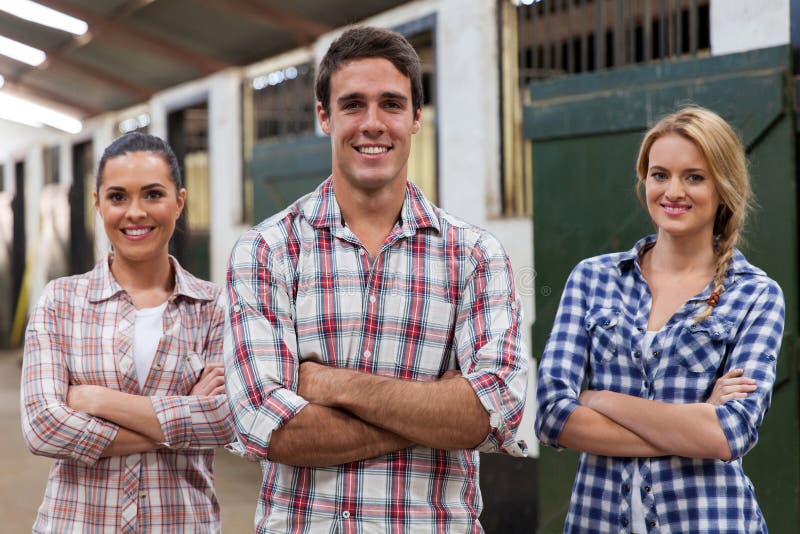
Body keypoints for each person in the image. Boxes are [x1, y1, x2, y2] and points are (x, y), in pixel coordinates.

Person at [224, 26, 529, 532]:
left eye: (391, 103)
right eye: (352, 105)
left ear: (415, 118)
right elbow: (268, 429)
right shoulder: (267, 251)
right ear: (324, 116)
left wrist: (329, 383)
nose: (372, 123)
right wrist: (432, 410)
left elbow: (490, 414)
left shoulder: (475, 256)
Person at [535, 106, 785, 533]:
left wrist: (599, 399)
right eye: (659, 174)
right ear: (644, 180)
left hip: (711, 520)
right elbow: (552, 415)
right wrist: (694, 418)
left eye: (694, 176)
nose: (673, 191)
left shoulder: (756, 295)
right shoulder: (593, 278)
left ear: (724, 187)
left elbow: (729, 434)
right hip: (598, 520)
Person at [21, 132, 235, 533]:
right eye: (118, 197)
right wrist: (182, 416)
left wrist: (96, 400)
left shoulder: (214, 308)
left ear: (179, 202)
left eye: (153, 194)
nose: (135, 212)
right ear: (98, 204)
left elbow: (227, 419)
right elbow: (44, 428)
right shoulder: (61, 302)